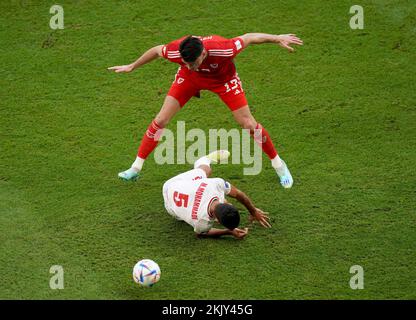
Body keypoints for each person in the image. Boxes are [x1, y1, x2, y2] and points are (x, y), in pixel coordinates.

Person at [108, 33, 303, 188]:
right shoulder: (180, 54)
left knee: (249, 124)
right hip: (190, 81)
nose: (190, 66)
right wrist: (132, 66)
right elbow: (157, 50)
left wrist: (277, 38)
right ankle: (135, 167)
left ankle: (279, 165)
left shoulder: (223, 49)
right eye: (186, 63)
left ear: (203, 54)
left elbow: (250, 37)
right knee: (161, 120)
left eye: (193, 63)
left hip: (223, 81)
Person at [162, 150, 271, 239]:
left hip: (176, 185)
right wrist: (229, 232)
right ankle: (206, 158)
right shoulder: (202, 222)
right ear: (216, 219)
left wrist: (253, 211)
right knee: (206, 170)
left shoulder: (215, 184)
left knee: (205, 171)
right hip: (171, 205)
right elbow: (201, 234)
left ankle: (204, 162)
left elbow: (238, 194)